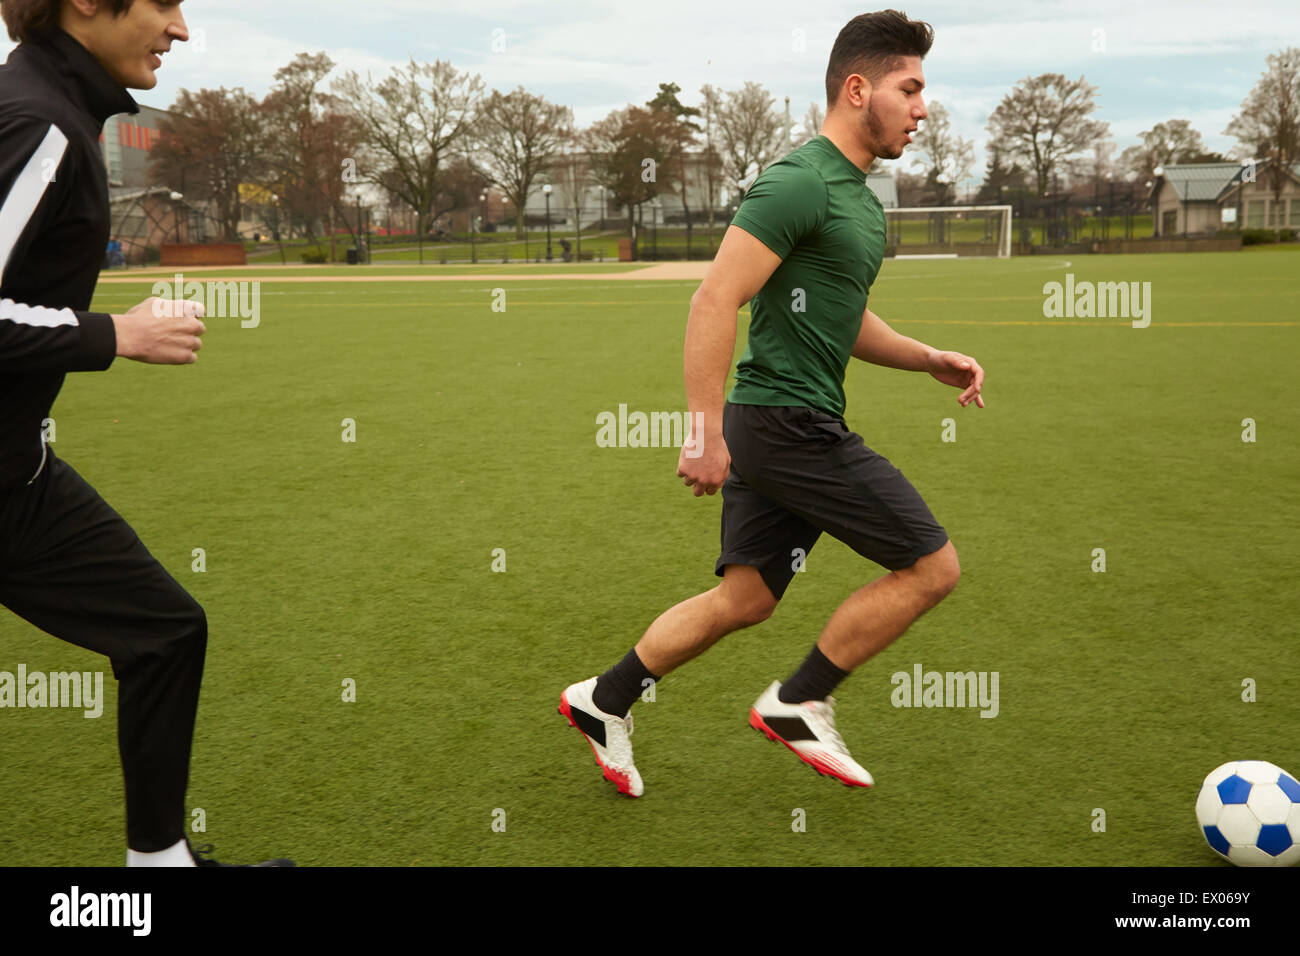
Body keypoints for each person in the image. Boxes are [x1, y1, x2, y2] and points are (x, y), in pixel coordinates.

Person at [559, 10, 985, 796]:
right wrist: (703, 430)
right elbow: (714, 297)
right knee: (931, 567)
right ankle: (800, 699)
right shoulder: (800, 180)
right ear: (858, 90)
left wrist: (926, 357)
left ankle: (603, 698)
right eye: (910, 87)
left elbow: (841, 316)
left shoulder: (859, 200)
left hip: (781, 420)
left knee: (745, 598)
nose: (923, 107)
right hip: (785, 423)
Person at [0, 0, 292, 866]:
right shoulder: (36, 123)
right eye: (163, 2)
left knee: (165, 631)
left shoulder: (61, 114)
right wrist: (115, 335)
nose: (182, 27)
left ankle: (157, 869)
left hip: (16, 480)